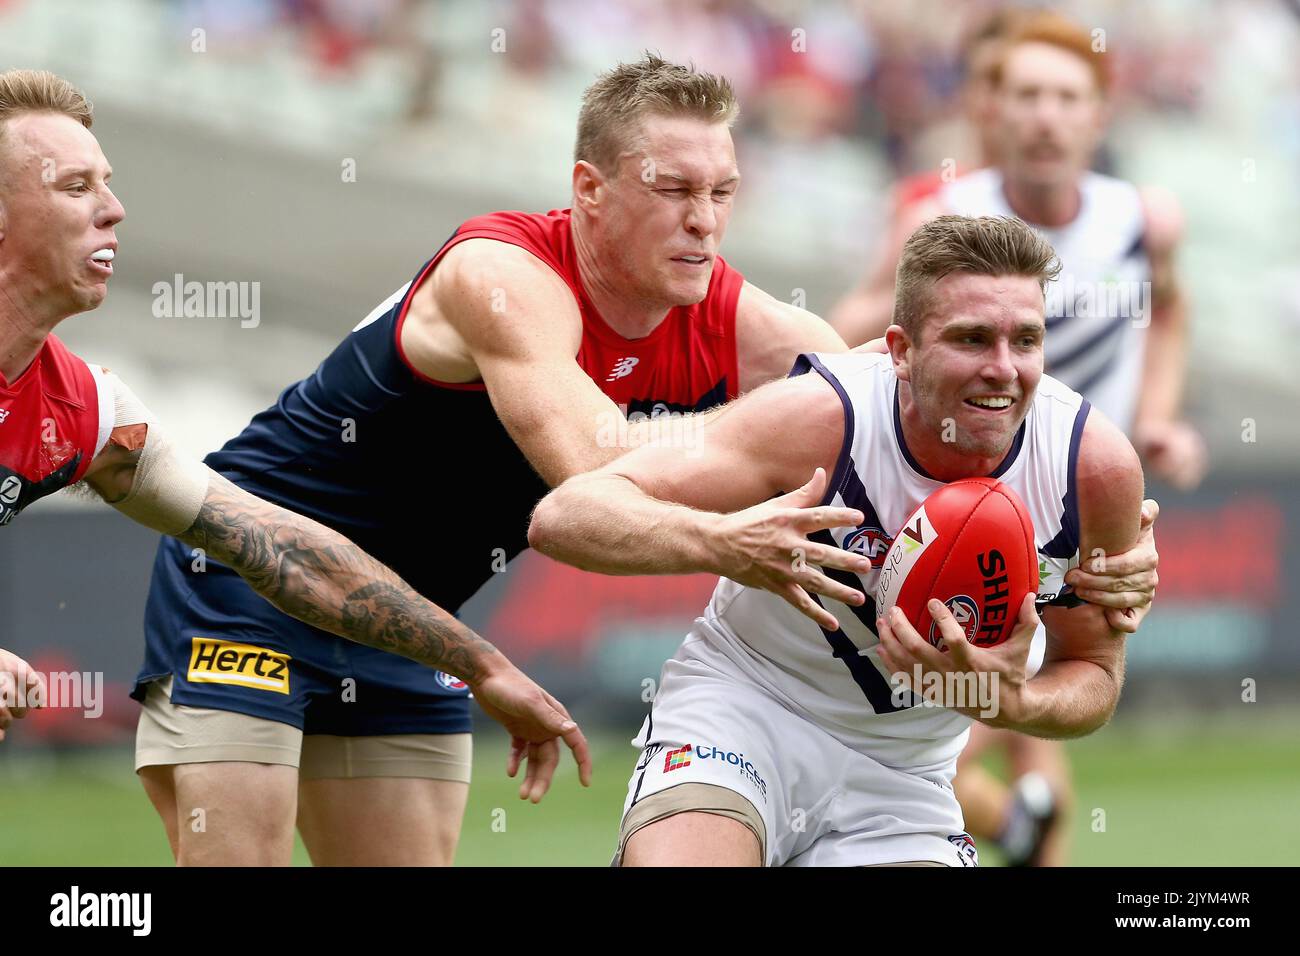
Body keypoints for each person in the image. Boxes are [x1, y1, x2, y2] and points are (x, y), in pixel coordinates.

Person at [135, 54, 1159, 866]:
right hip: (252, 573)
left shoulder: (736, 317)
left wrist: (1103, 548)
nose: (705, 219)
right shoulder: (500, 275)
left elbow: (901, 402)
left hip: (412, 624)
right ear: (587, 188)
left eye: (722, 190)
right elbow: (587, 465)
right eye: (672, 189)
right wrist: (736, 482)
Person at [0, 69, 589, 846]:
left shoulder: (86, 410)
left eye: (107, 183)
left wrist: (483, 666)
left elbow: (288, 553)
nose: (113, 209)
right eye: (76, 187)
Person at [529, 215, 1149, 867]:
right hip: (745, 711)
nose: (1003, 368)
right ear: (900, 351)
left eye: (1026, 340)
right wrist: (726, 542)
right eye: (971, 338)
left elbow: (1095, 675)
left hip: (904, 775)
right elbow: (566, 515)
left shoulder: (1094, 467)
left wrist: (1006, 698)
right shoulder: (820, 419)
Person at [830, 10, 1203, 864]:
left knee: (1019, 723)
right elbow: (863, 320)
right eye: (1026, 94)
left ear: (1099, 115)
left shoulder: (1145, 221)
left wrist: (1158, 417)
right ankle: (1014, 825)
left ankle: (1023, 827)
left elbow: (1171, 310)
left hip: (1073, 520)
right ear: (990, 109)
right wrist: (811, 374)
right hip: (954, 506)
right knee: (944, 724)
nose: (1045, 116)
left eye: (1067, 97)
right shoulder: (943, 213)